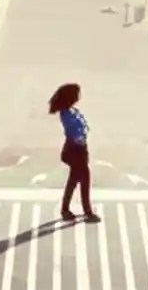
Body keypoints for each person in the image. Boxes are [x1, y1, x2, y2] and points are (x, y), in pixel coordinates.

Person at [49, 83, 100, 222]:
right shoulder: (67, 114)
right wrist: (81, 138)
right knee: (84, 179)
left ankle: (66, 209)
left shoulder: (72, 111)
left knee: (74, 179)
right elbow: (74, 131)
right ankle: (87, 211)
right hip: (75, 150)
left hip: (80, 149)